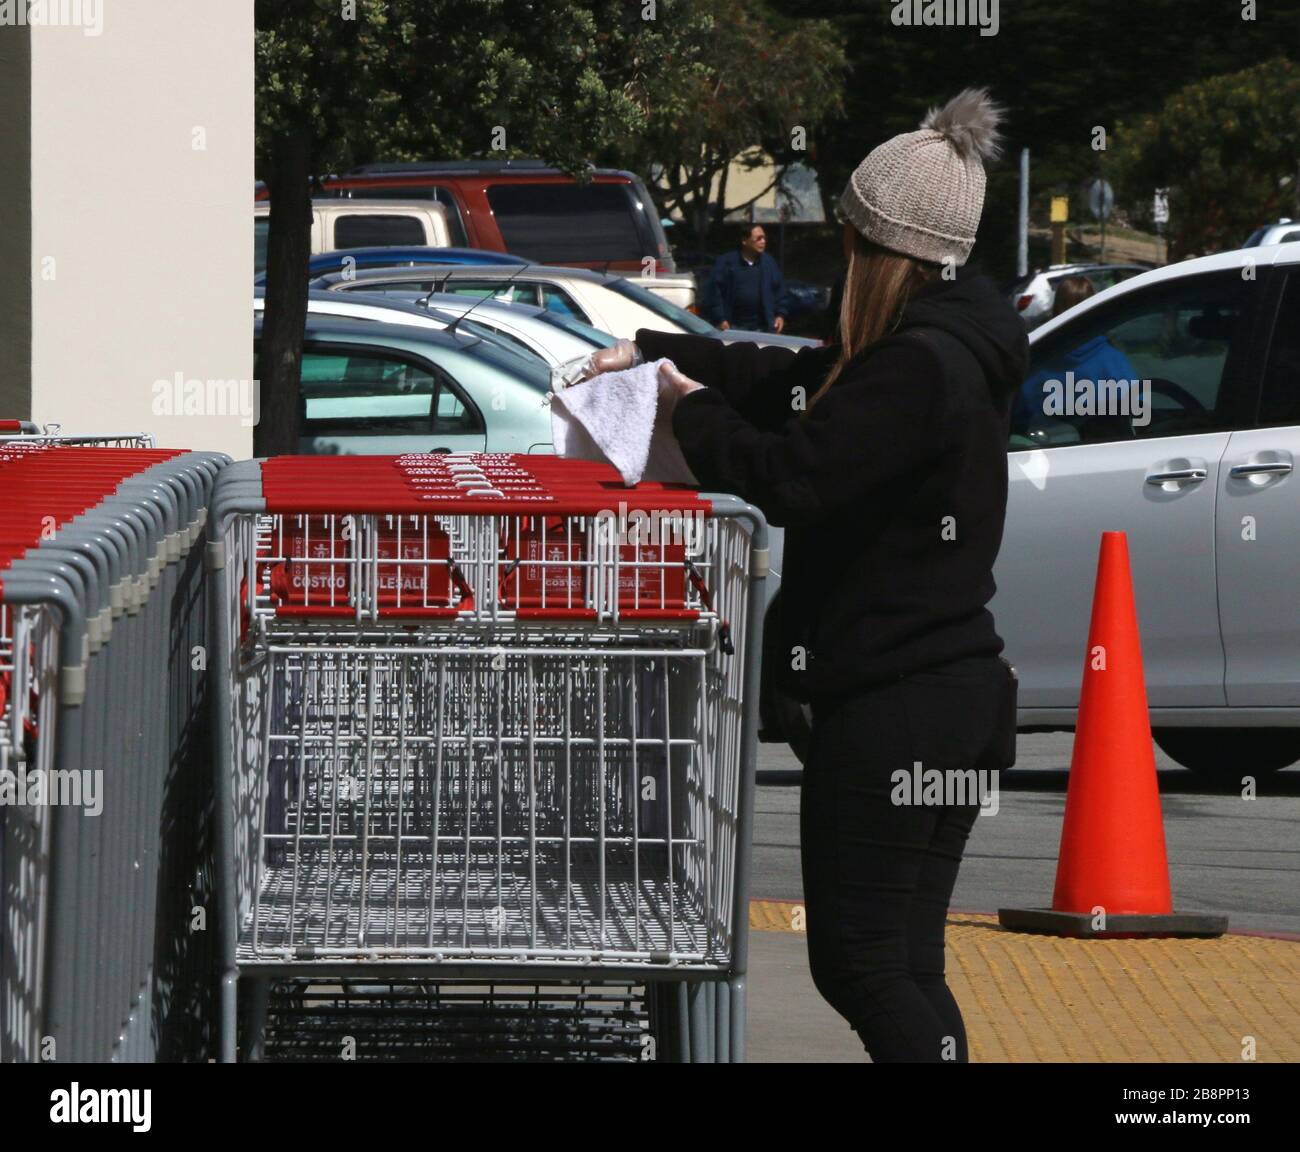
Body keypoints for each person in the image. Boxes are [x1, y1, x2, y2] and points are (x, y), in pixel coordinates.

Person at [579, 88, 1026, 1062]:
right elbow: (795, 382)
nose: (836, 269)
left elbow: (794, 475)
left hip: (898, 704)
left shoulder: (917, 369)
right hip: (951, 695)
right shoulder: (940, 350)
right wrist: (660, 352)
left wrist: (686, 409)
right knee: (901, 965)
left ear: (886, 252)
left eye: (851, 246)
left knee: (863, 966)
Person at [702, 224, 793, 334]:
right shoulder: (727, 263)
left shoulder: (769, 263)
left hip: (763, 328)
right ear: (745, 241)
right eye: (758, 238)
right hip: (733, 327)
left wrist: (780, 315)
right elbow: (713, 293)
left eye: (764, 238)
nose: (763, 241)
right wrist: (720, 319)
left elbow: (780, 292)